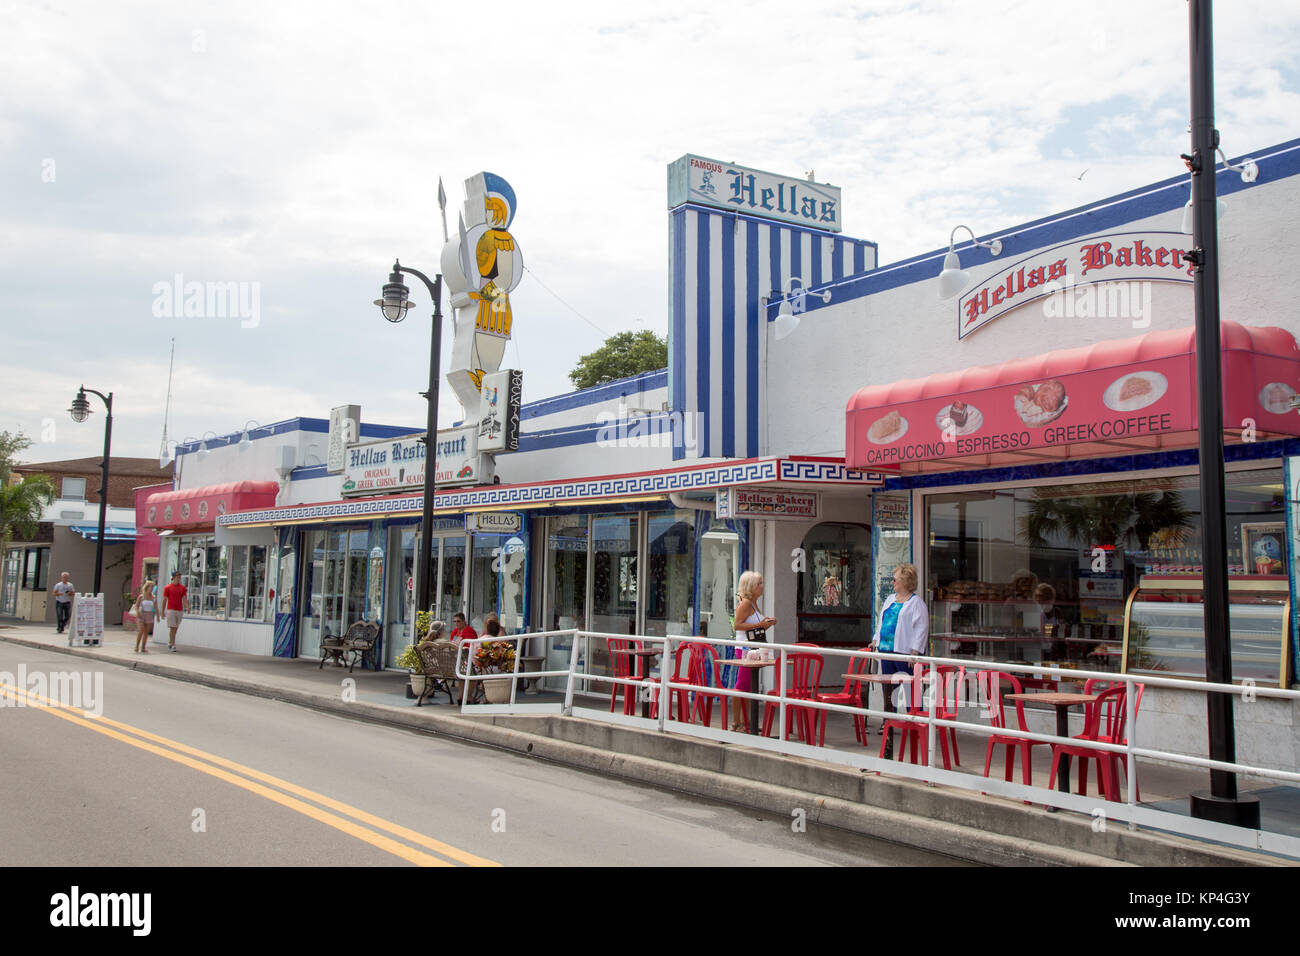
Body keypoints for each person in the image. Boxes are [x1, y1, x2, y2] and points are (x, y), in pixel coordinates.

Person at [870, 562, 928, 759]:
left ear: (905, 581)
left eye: (895, 579)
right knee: (888, 688)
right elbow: (882, 621)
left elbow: (921, 627)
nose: (892, 582)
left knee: (910, 688)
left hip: (904, 652)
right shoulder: (889, 600)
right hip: (887, 649)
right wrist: (875, 639)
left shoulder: (916, 603)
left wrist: (915, 651)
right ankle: (888, 721)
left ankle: (916, 721)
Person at [730, 570, 776, 732]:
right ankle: (737, 722)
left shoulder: (753, 604)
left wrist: (764, 623)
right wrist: (760, 625)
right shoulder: (746, 603)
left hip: (752, 648)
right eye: (759, 584)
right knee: (742, 684)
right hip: (745, 648)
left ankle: (746, 721)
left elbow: (750, 625)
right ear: (751, 587)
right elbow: (737, 625)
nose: (762, 586)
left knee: (747, 685)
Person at [162, 571, 187, 652]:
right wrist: (162, 612)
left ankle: (170, 642)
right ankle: (173, 644)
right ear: (173, 577)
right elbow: (164, 600)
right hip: (171, 609)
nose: (179, 577)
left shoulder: (182, 588)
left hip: (179, 609)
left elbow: (184, 598)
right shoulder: (168, 587)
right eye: (177, 576)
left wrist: (187, 607)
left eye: (180, 576)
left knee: (175, 628)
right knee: (173, 627)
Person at [134, 581, 156, 653]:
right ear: (147, 587)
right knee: (141, 630)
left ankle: (143, 647)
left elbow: (156, 607)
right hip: (141, 614)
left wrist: (158, 616)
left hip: (149, 614)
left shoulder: (153, 597)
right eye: (151, 587)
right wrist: (137, 612)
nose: (152, 588)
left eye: (153, 587)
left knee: (146, 632)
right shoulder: (141, 596)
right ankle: (137, 646)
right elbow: (136, 606)